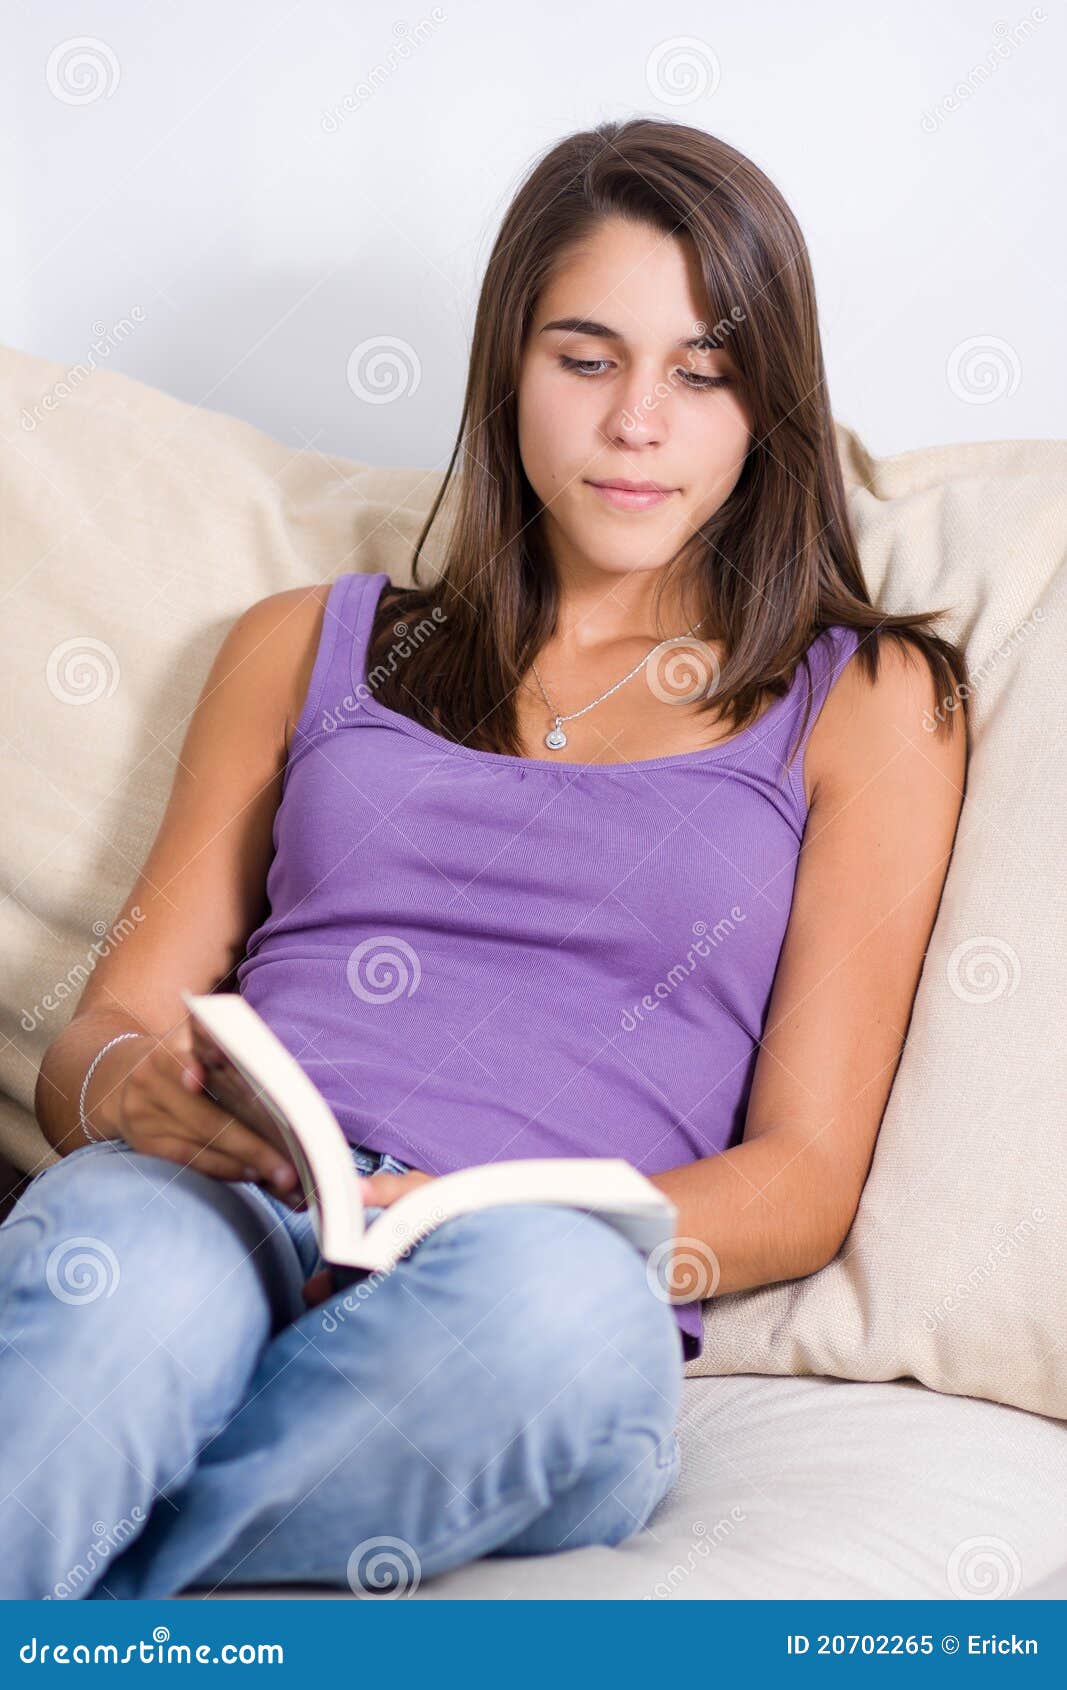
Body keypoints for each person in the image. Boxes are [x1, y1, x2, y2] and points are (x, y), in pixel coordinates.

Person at [4, 117, 968, 1599]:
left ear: (766, 405)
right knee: (116, 1279)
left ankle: (107, 1610)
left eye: (703, 372)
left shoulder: (867, 702)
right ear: (508, 370)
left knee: (556, 1319)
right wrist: (120, 1086)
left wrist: (520, 1215)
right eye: (587, 359)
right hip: (241, 1197)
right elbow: (110, 1024)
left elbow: (804, 1178)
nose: (639, 421)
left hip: (537, 1268)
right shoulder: (306, 643)